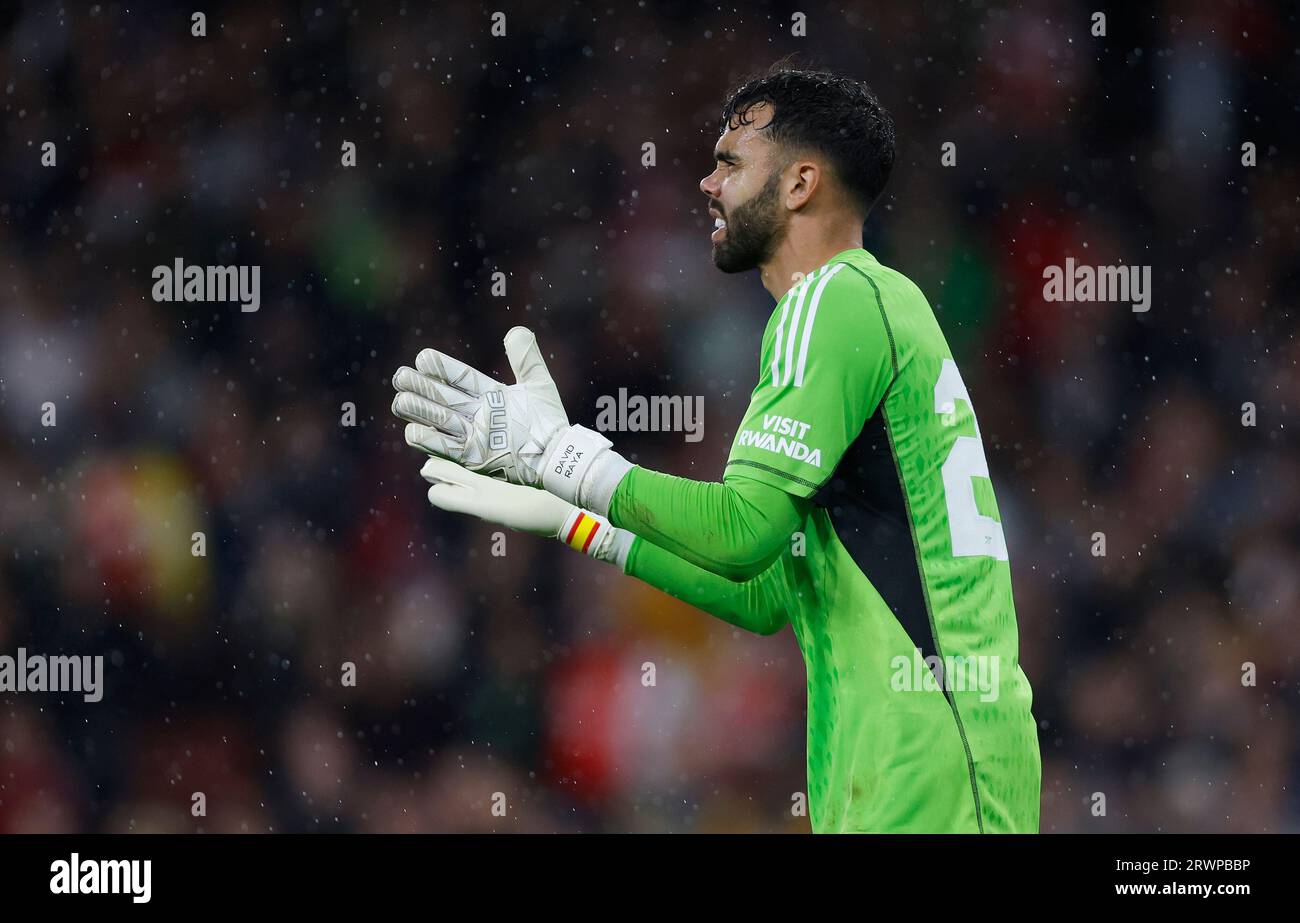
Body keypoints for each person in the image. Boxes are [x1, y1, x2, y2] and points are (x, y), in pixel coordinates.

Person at [392, 64, 1041, 833]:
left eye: (731, 161)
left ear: (801, 183)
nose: (707, 182)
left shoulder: (832, 300)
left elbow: (741, 532)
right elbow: (768, 592)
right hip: (917, 756)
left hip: (926, 755)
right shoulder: (862, 309)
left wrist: (568, 459)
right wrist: (577, 518)